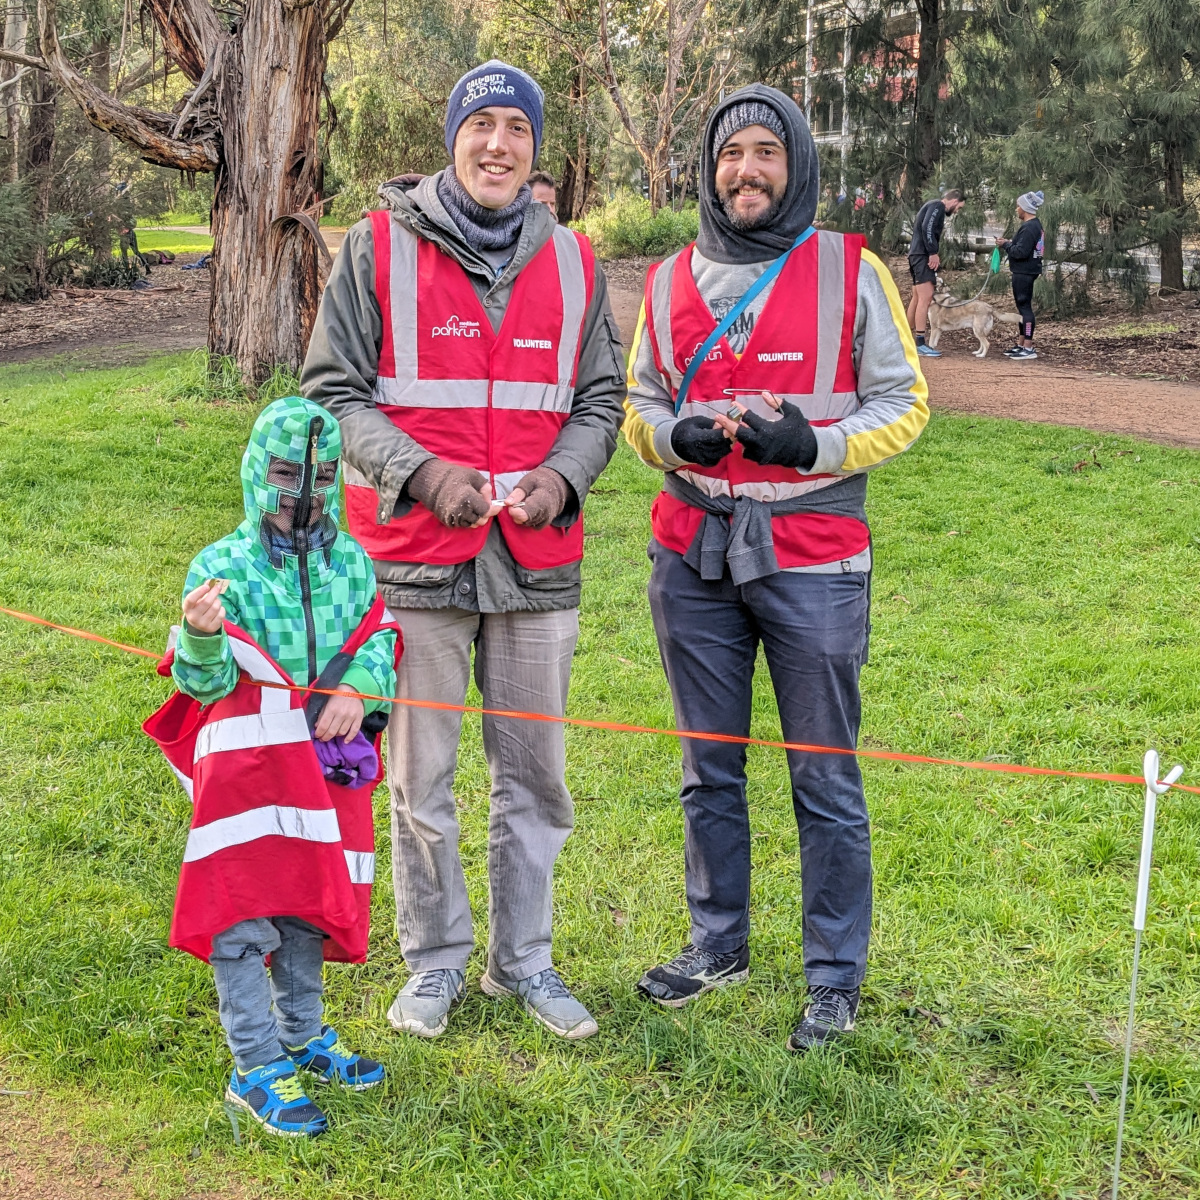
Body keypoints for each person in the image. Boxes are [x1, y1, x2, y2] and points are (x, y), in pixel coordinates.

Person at [301, 60, 626, 1043]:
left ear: (534, 149)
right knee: (420, 780)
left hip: (537, 564)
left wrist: (562, 479)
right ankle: (437, 961)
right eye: (482, 125)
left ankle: (523, 961)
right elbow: (331, 390)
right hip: (415, 559)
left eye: (517, 129)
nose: (498, 144)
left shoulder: (575, 260)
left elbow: (600, 400)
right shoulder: (376, 247)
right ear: (454, 139)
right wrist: (422, 474)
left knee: (536, 779)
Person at [622, 85, 929, 1051]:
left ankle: (833, 977)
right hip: (693, 552)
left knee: (824, 777)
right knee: (707, 768)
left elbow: (907, 403)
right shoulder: (669, 278)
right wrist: (671, 438)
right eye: (730, 154)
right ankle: (718, 944)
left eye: (765, 151)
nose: (746, 170)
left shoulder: (850, 269)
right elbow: (639, 402)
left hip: (814, 557)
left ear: (795, 164)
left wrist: (815, 445)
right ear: (710, 170)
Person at [144, 397, 400, 1137]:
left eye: (319, 476)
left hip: (319, 772)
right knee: (243, 904)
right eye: (287, 474)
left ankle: (302, 1032)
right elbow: (203, 684)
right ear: (259, 470)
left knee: (304, 897)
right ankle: (254, 1063)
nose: (303, 495)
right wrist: (200, 636)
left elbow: (379, 634)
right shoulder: (221, 568)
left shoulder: (351, 562)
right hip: (248, 776)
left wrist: (359, 687)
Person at [905, 188, 965, 357]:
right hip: (922, 256)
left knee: (917, 297)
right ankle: (920, 342)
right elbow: (928, 227)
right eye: (959, 207)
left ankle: (905, 338)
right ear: (954, 201)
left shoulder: (932, 206)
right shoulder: (938, 206)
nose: (957, 211)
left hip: (915, 255)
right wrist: (932, 252)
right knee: (925, 298)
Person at [997, 190, 1044, 360]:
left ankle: (1028, 347)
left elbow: (1021, 252)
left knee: (1025, 309)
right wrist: (1009, 243)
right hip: (1025, 271)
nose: (1016, 209)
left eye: (1018, 206)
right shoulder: (1033, 226)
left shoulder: (1029, 227)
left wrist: (1006, 245)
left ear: (1025, 208)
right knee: (1022, 309)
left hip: (1025, 271)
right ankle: (1021, 344)